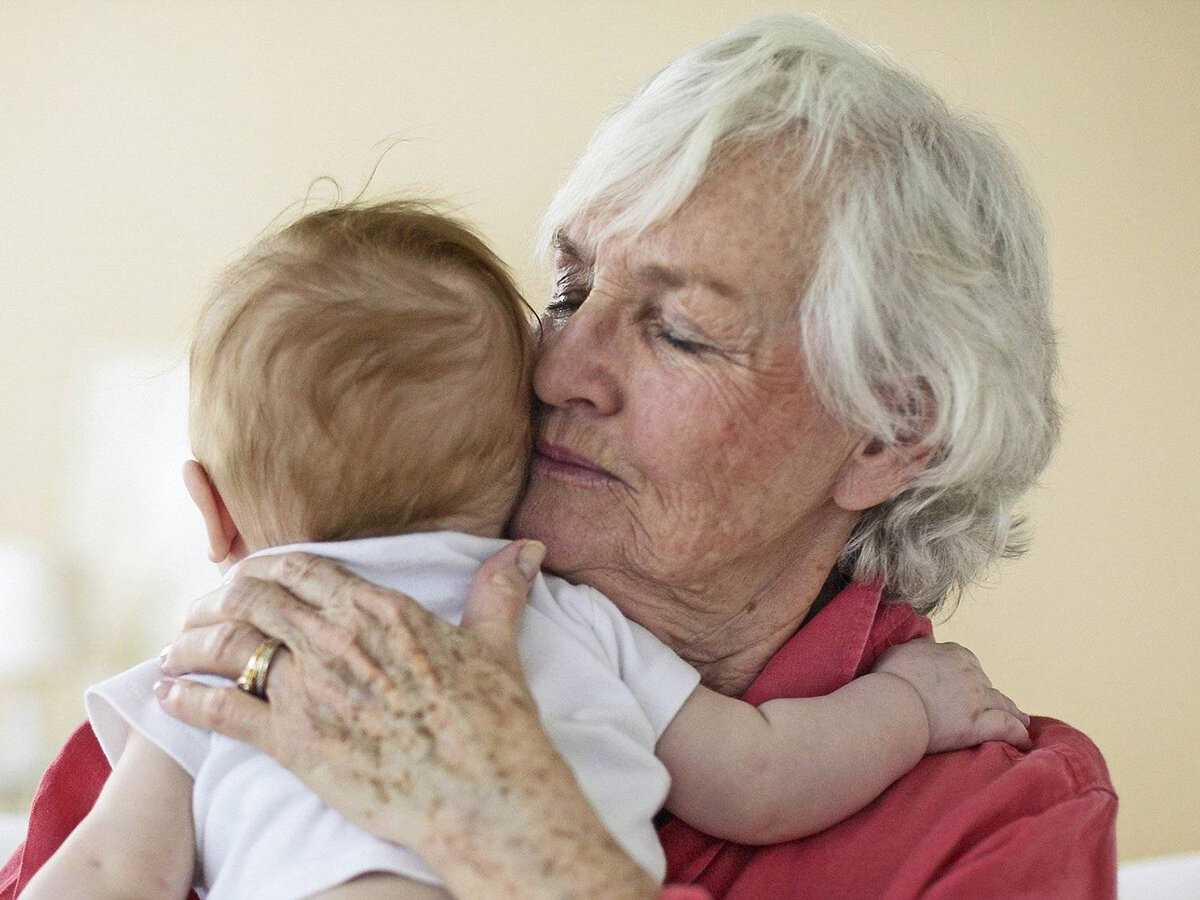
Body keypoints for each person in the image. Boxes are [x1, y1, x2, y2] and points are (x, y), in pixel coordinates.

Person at [2, 14, 1117, 900]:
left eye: (678, 328)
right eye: (570, 289)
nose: (552, 370)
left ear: (885, 431)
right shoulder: (265, 659)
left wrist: (510, 834)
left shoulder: (992, 828)